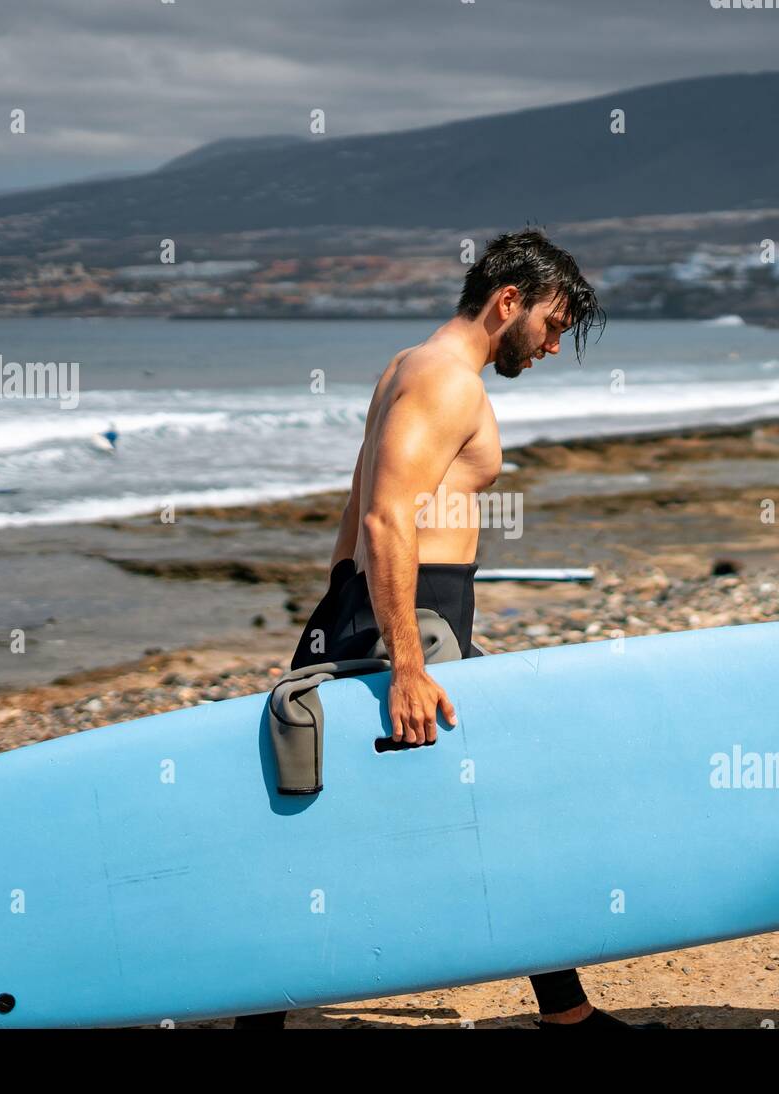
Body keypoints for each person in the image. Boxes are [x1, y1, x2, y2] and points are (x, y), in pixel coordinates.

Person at [234, 229, 659, 1030]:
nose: (552, 345)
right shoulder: (447, 384)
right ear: (509, 302)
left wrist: (332, 623)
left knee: (436, 810)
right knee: (496, 805)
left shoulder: (407, 365)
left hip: (387, 610)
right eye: (552, 324)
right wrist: (404, 663)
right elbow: (389, 514)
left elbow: (355, 514)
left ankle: (566, 1014)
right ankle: (568, 1020)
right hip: (416, 621)